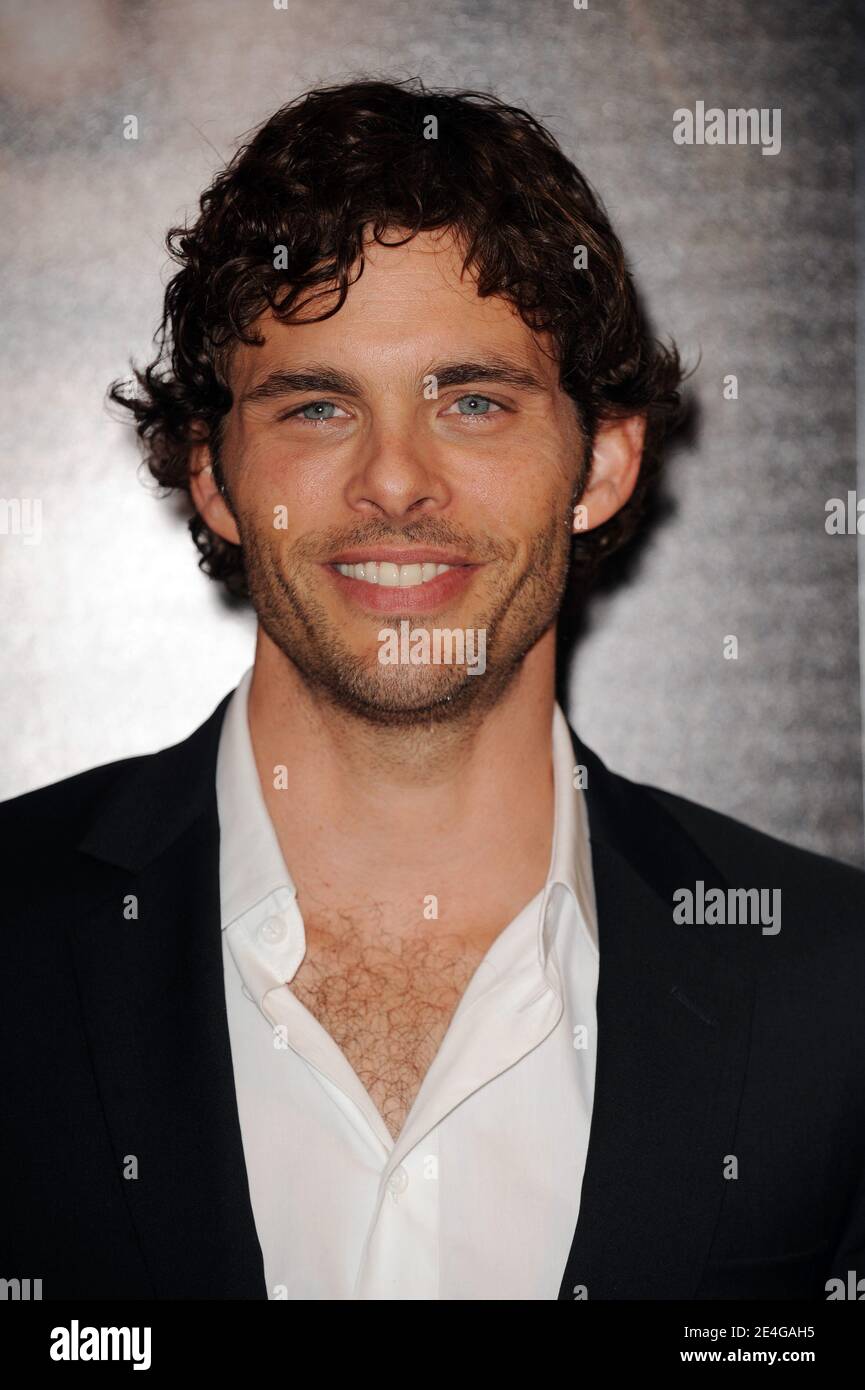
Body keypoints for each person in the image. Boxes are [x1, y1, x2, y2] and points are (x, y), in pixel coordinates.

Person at [2, 78, 863, 1302]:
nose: (394, 483)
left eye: (471, 402)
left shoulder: (832, 990)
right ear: (213, 475)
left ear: (602, 461)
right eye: (315, 404)